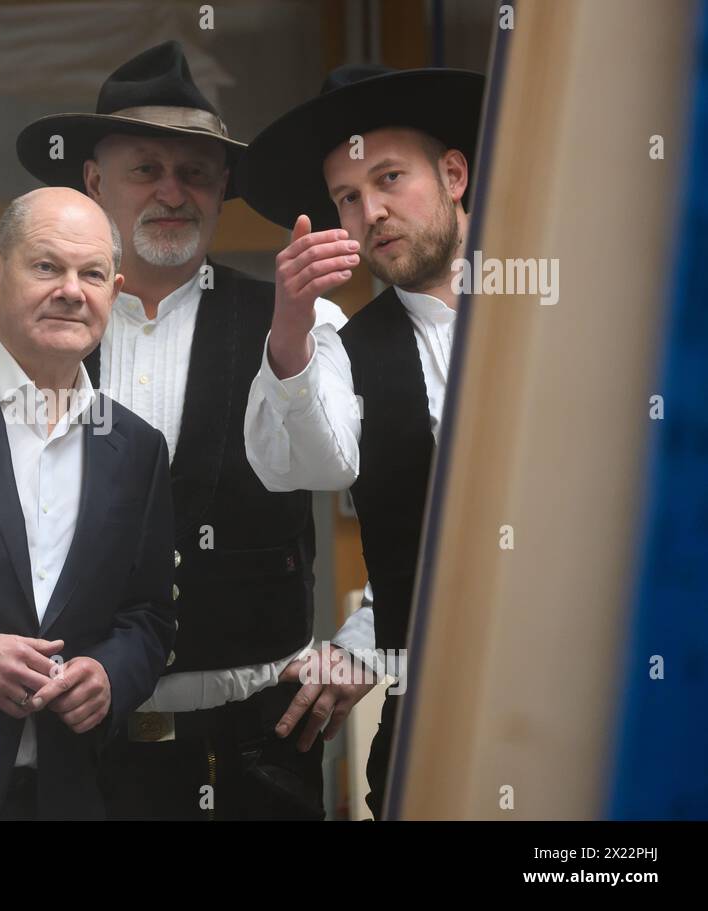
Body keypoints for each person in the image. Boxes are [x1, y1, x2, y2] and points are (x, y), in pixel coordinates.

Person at [16, 41, 368, 820]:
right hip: (75, 754)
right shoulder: (35, 336)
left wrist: (365, 637)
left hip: (255, 751)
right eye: (146, 169)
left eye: (196, 173)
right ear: (94, 182)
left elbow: (381, 485)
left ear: (221, 191)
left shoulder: (304, 322)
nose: (172, 192)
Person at [237, 63, 486, 818]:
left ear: (452, 173)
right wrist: (289, 324)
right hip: (440, 731)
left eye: (389, 178)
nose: (370, 210)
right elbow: (307, 465)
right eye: (348, 197)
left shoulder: (574, 297)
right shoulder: (345, 349)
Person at [0, 186, 176, 820]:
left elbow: (149, 614)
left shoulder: (137, 448)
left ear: (114, 292)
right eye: (46, 267)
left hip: (75, 794)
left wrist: (110, 673)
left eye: (92, 274)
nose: (72, 290)